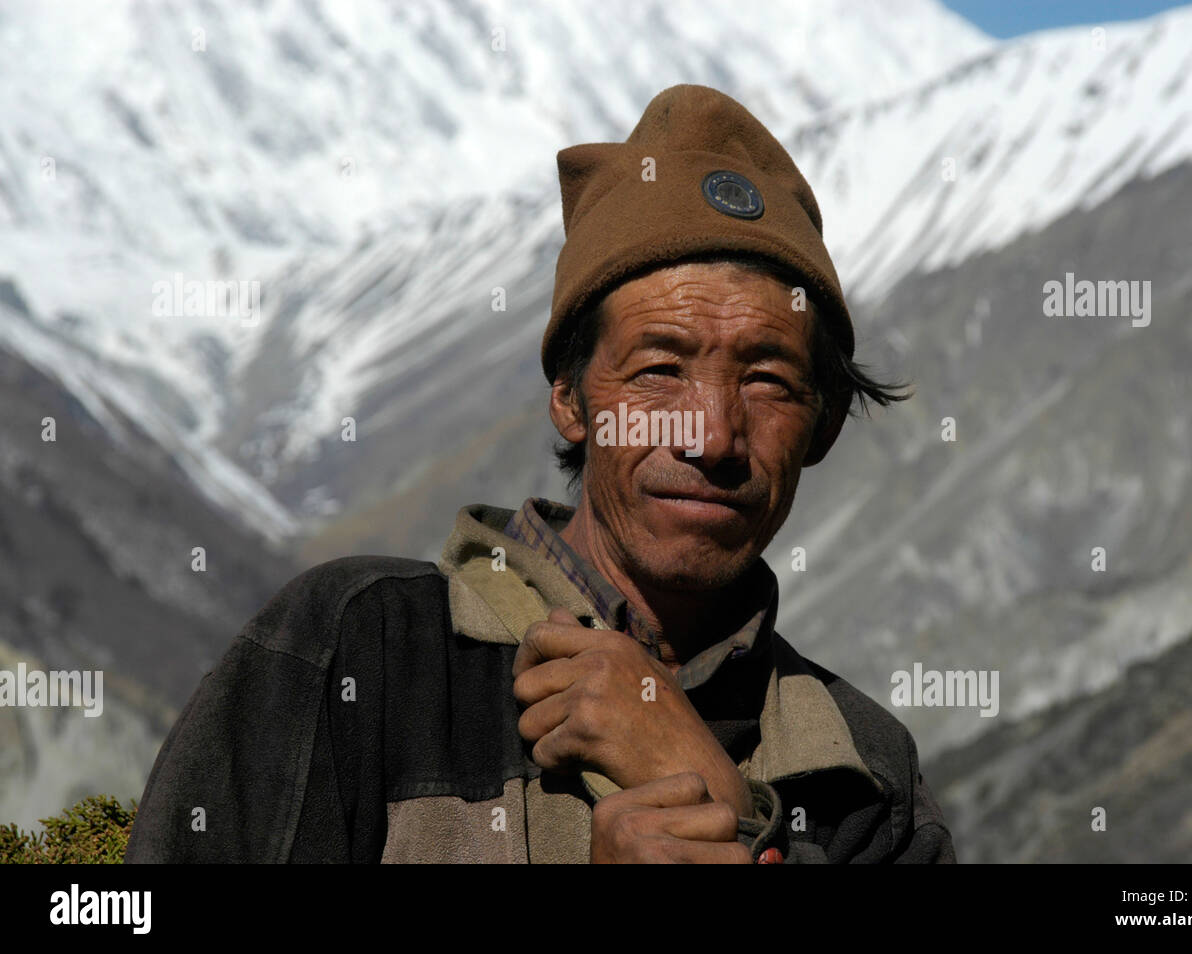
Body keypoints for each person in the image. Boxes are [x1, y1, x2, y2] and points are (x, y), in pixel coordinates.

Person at [126, 84, 955, 864]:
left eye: (769, 380)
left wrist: (732, 815)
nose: (711, 434)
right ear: (570, 400)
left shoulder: (864, 773)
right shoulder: (359, 651)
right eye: (660, 369)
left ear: (824, 423)